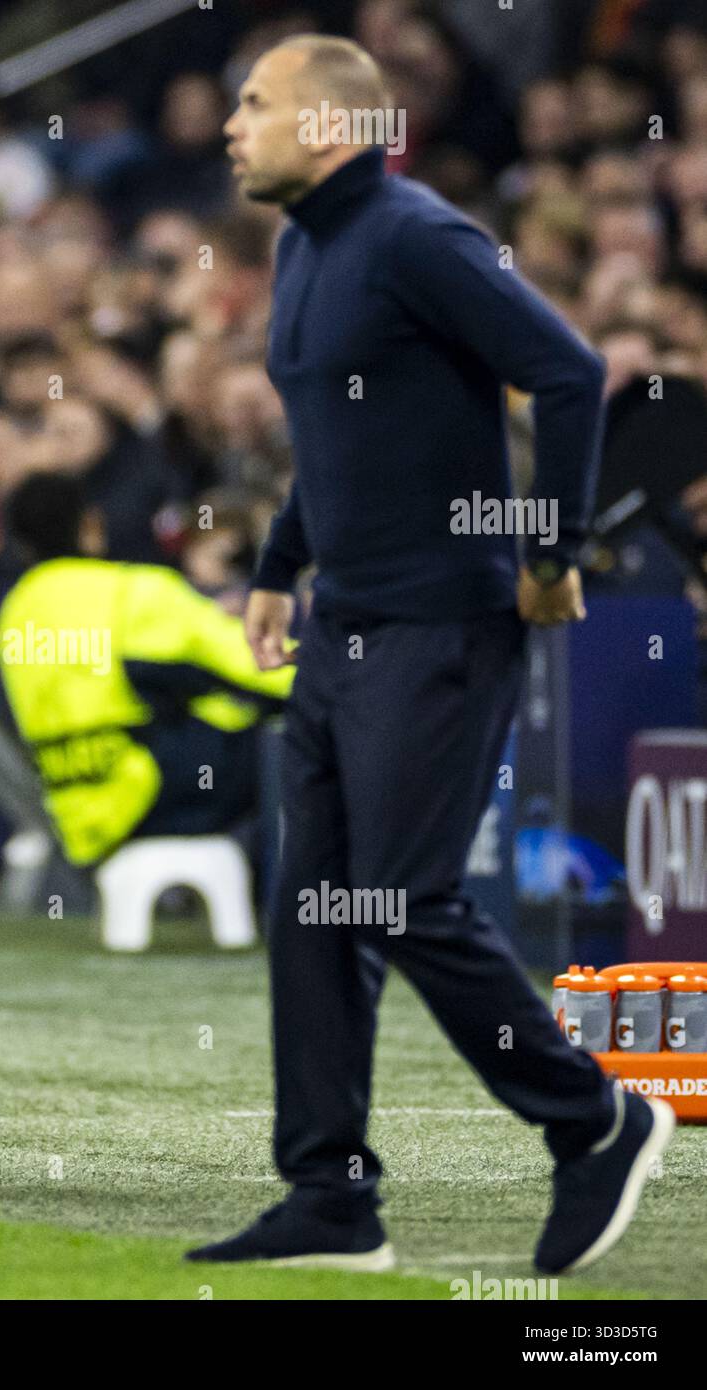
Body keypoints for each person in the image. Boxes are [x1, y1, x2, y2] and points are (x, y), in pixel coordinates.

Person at [186, 36, 674, 1276]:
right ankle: (329, 1195)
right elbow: (334, 439)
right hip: (341, 625)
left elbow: (567, 372)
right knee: (312, 911)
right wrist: (276, 566)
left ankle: (594, 1119)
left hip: (443, 624)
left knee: (405, 900)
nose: (232, 125)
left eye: (256, 104)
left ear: (330, 125)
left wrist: (551, 548)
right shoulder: (303, 246)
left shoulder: (417, 236)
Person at [0, 472, 293, 869]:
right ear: (90, 525)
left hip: (71, 812)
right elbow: (256, 664)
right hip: (148, 796)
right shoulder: (130, 592)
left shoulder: (14, 612)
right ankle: (286, 894)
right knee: (282, 733)